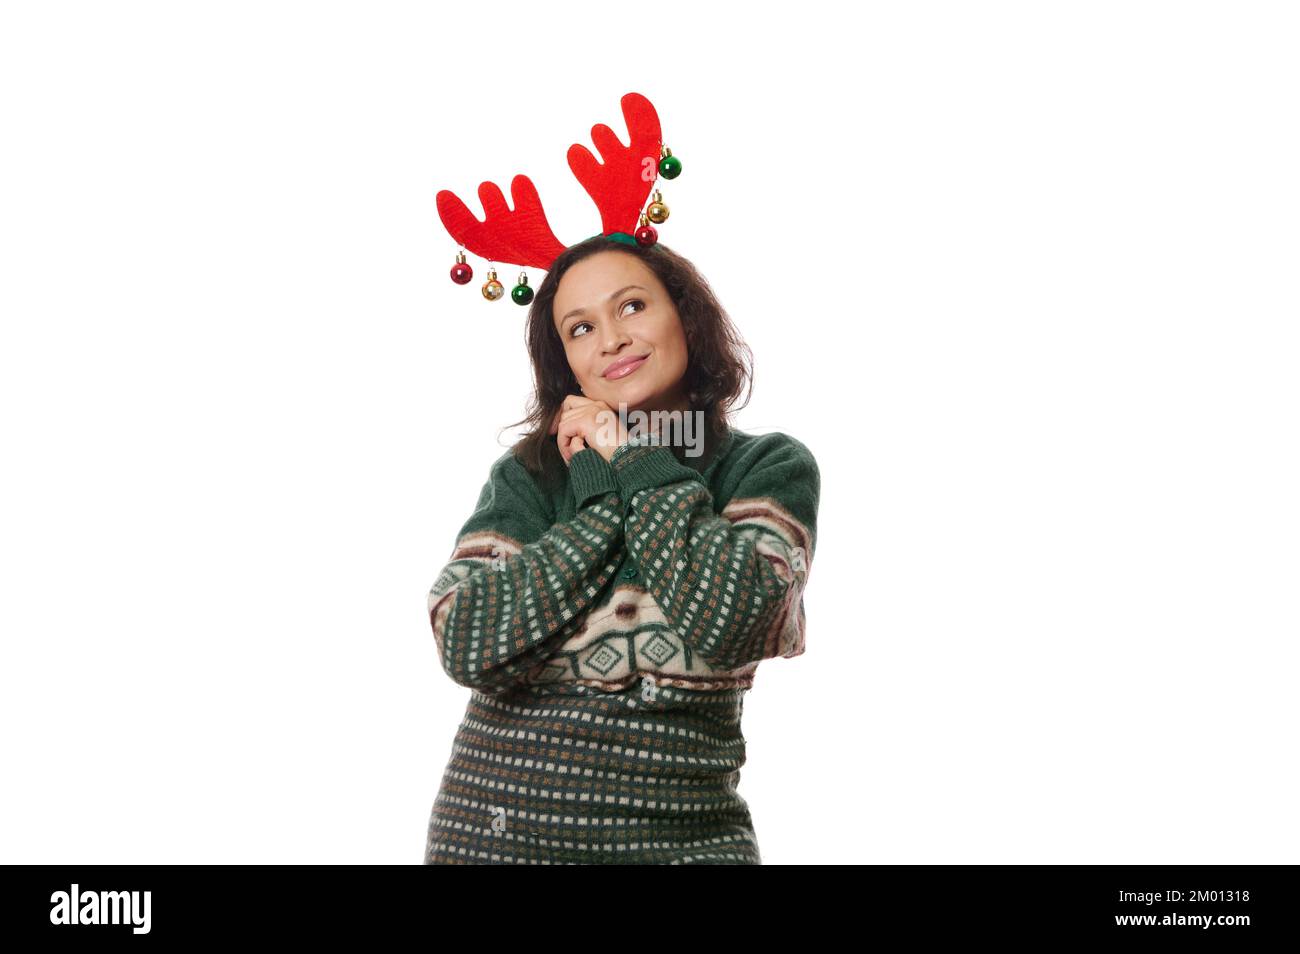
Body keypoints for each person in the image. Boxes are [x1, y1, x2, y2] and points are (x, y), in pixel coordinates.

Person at [423, 234, 820, 865]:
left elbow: (737, 620)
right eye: (580, 328)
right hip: (491, 841)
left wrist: (631, 454)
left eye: (632, 307)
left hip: (683, 842)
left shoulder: (764, 466)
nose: (610, 339)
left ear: (684, 316)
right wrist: (600, 493)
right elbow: (465, 640)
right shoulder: (528, 477)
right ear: (568, 366)